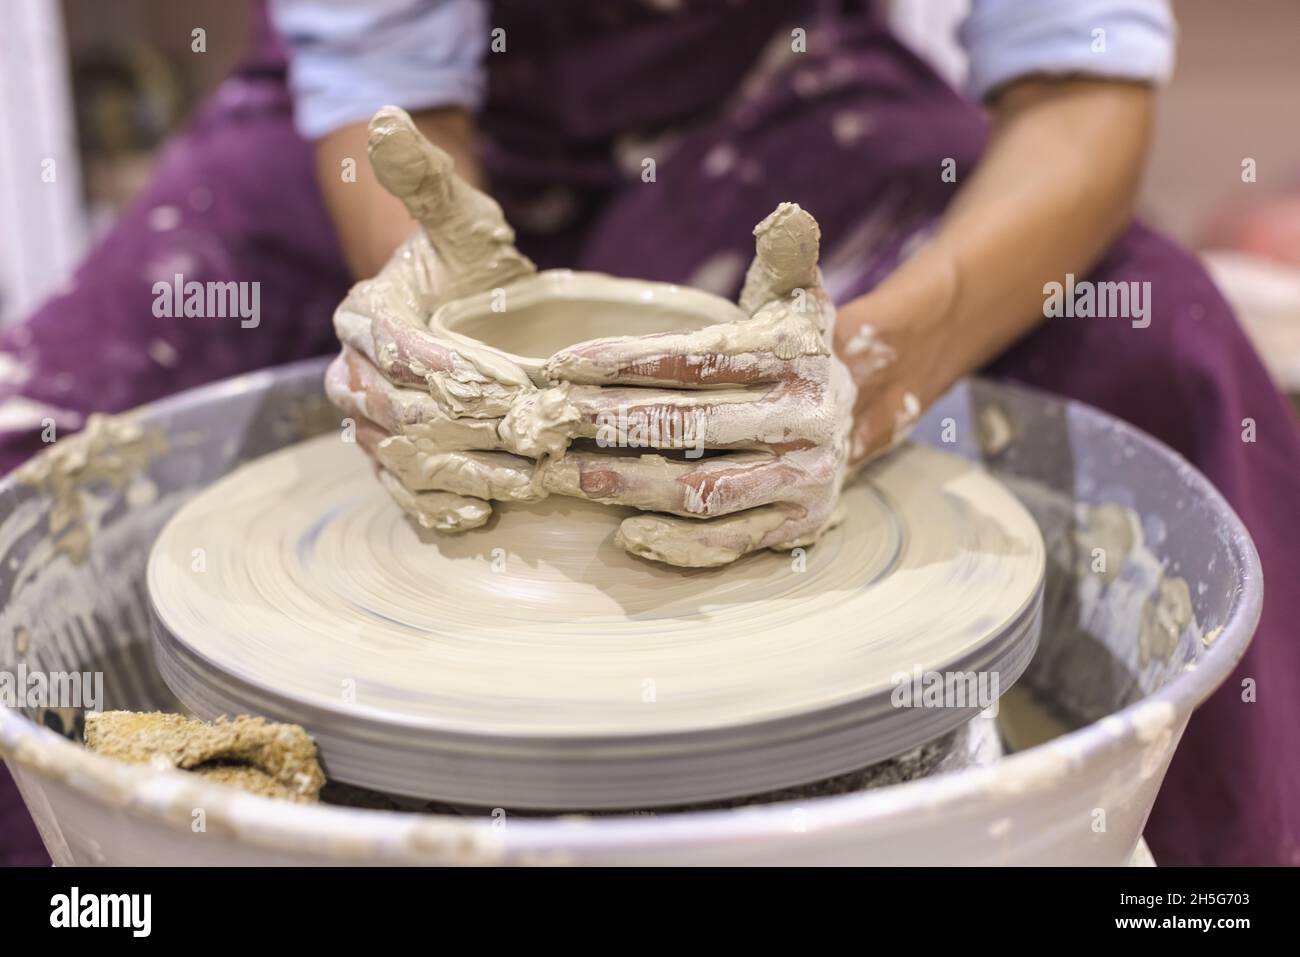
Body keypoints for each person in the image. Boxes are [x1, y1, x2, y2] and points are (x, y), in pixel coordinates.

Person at [1, 0, 1296, 865]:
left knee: (1163, 347)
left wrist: (876, 363)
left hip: (765, 83)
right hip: (396, 133)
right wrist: (442, 334)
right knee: (35, 453)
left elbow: (1083, 78)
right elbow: (385, 84)